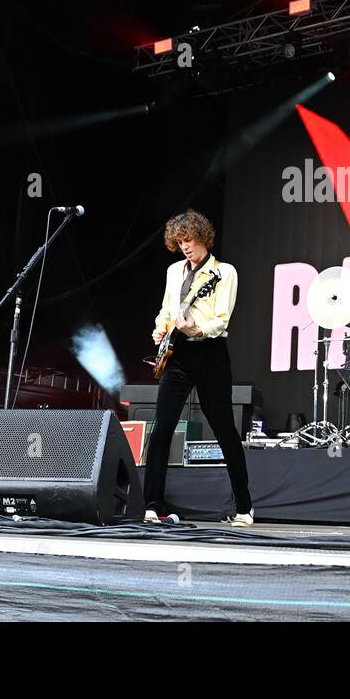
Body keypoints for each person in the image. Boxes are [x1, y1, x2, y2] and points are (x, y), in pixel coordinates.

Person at [145, 210, 253, 526]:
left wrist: (197, 330)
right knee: (162, 426)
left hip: (210, 354)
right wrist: (160, 329)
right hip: (177, 355)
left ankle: (244, 507)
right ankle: (152, 504)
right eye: (179, 242)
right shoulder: (174, 271)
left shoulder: (225, 273)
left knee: (223, 428)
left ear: (202, 237)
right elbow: (167, 309)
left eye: (188, 240)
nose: (185, 247)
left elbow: (221, 319)